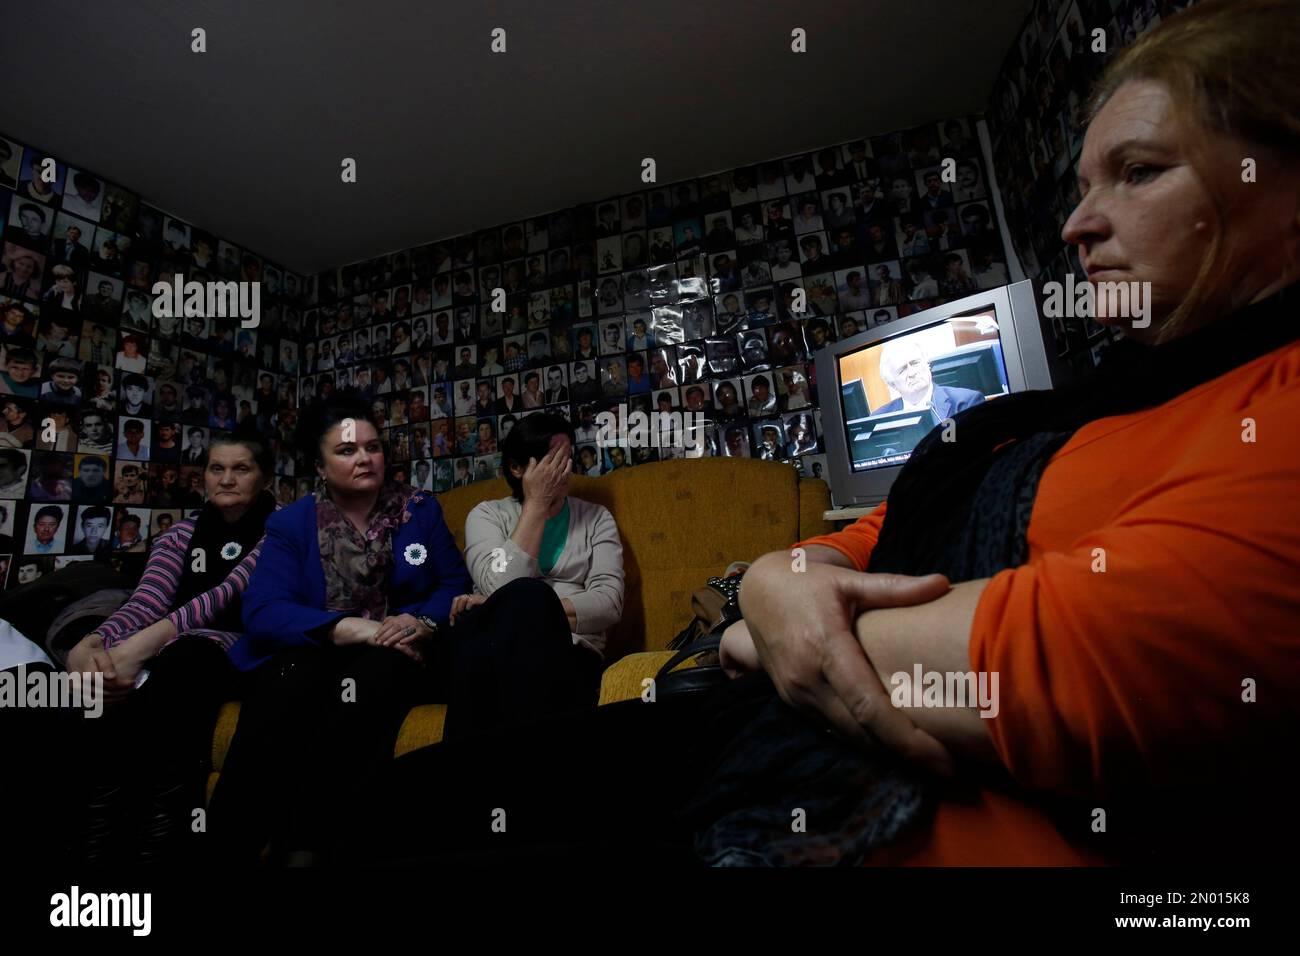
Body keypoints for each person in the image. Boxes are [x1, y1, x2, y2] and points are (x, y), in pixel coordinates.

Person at [346, 0, 1300, 868]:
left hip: (842, 784)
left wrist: (773, 622)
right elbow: (835, 553)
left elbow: (1067, 665)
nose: (1079, 224)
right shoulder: (1078, 412)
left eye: (1138, 173)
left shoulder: (1273, 412)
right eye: (1086, 184)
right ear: (515, 465)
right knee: (408, 789)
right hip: (753, 728)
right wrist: (770, 582)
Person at [208, 391, 473, 864]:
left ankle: (305, 846)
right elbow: (264, 609)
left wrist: (420, 621)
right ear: (320, 464)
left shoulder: (419, 509)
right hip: (319, 648)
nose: (366, 458)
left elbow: (453, 584)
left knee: (372, 679)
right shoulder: (291, 523)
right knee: (286, 685)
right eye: (347, 451)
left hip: (399, 650)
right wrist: (349, 628)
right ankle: (225, 852)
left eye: (372, 447)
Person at [60, 426, 279, 864]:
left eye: (241, 469)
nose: (227, 479)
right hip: (172, 639)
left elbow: (226, 596)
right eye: (217, 469)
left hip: (240, 642)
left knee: (182, 659)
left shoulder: (282, 529)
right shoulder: (181, 533)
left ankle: (159, 843)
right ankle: (98, 842)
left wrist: (141, 647)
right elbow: (147, 600)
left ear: (265, 478)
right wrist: (96, 641)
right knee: (99, 684)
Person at [869, 338, 984, 418]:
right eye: (902, 370)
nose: (911, 373)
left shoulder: (966, 402)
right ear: (892, 384)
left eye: (915, 363)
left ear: (927, 364)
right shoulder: (879, 417)